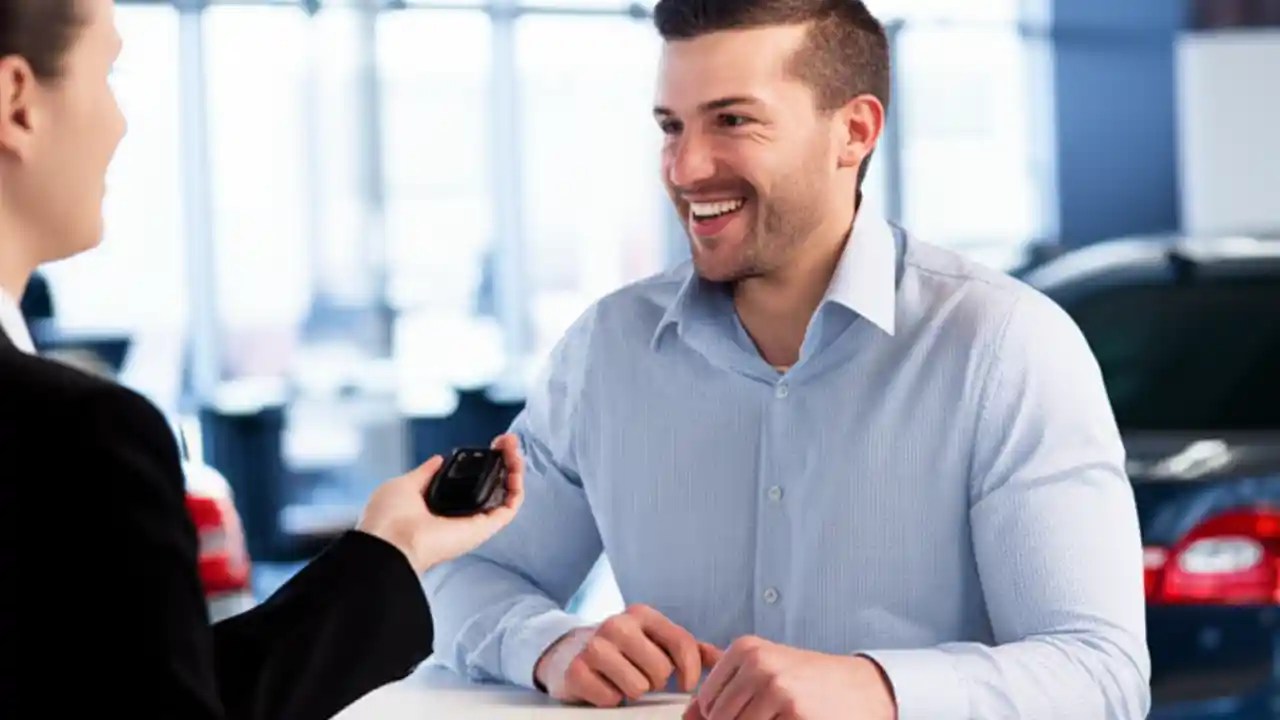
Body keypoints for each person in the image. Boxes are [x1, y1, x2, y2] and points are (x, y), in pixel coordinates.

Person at [423, 0, 1151, 717]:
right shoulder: (607, 352)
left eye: (732, 121)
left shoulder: (1004, 348)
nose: (684, 168)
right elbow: (470, 571)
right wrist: (551, 646)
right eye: (671, 127)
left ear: (855, 132)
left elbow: (1099, 672)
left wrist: (875, 687)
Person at [0, 1, 525, 718]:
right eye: (109, 72)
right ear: (17, 102)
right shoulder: (83, 438)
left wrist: (389, 550)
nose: (121, 123)